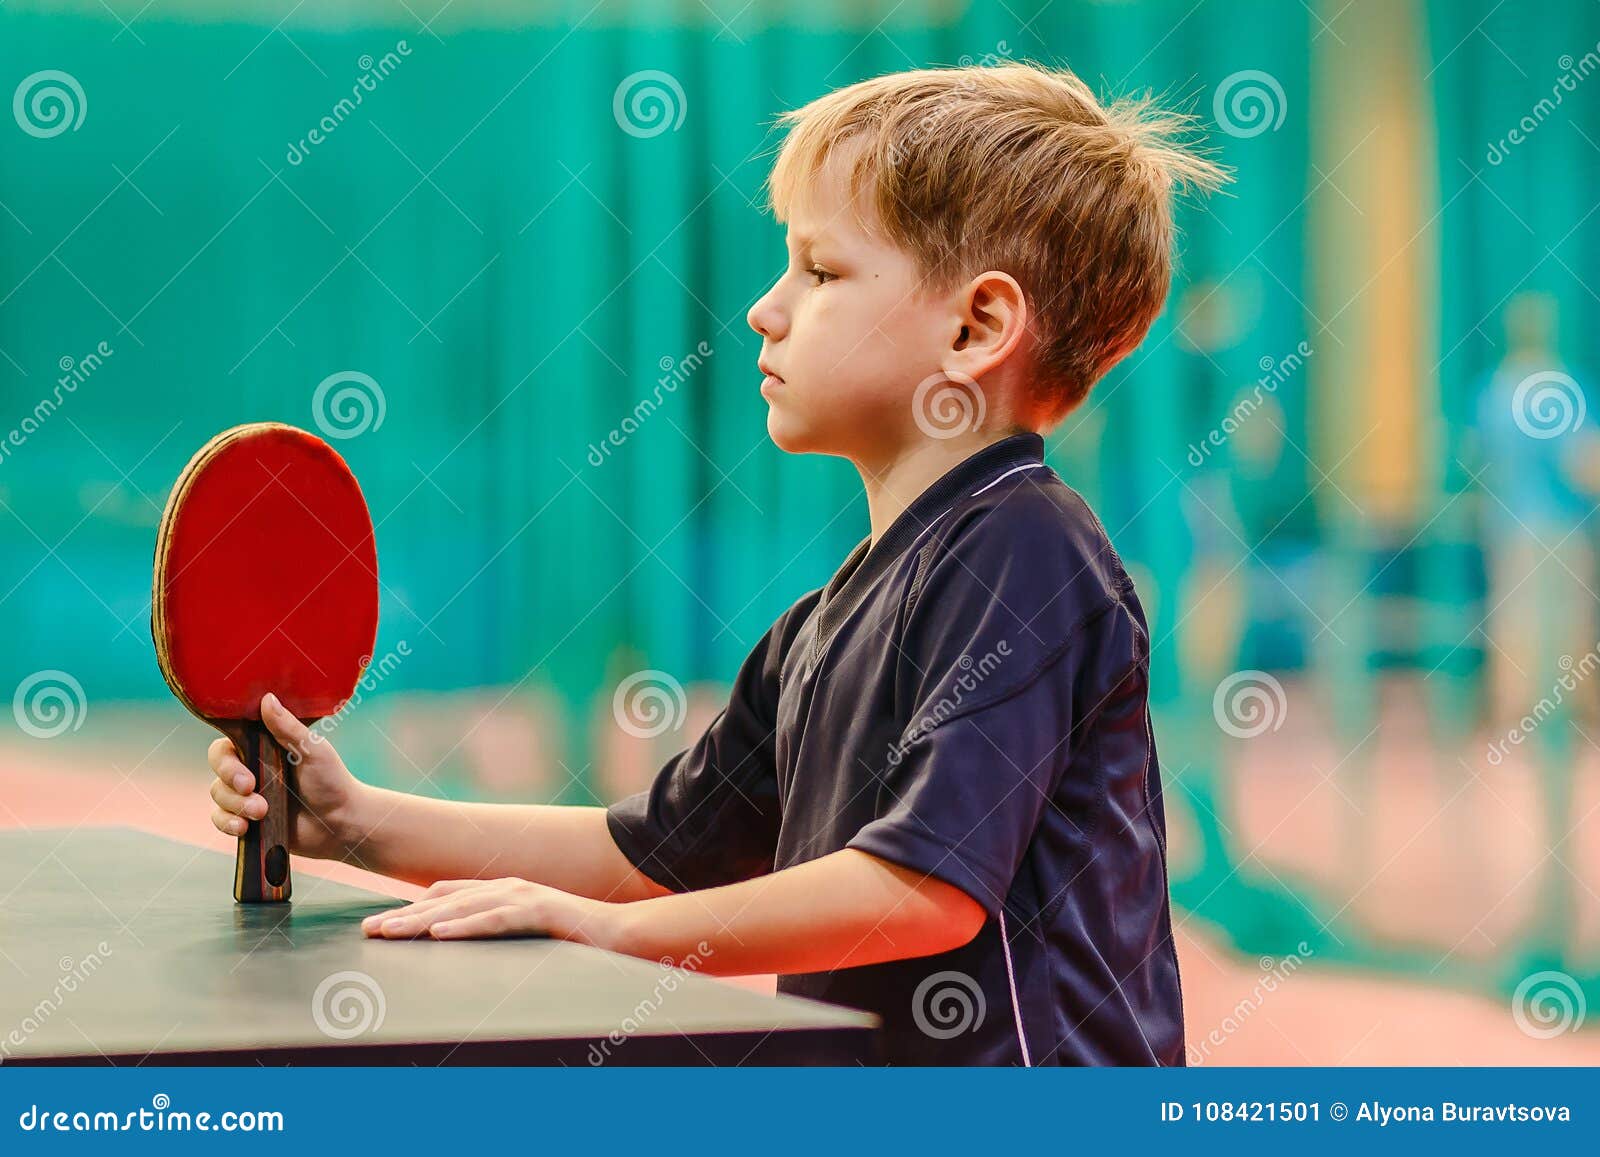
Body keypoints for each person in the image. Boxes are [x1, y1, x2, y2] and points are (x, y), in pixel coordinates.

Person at [207, 61, 1225, 1065]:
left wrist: (601, 934)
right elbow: (652, 855)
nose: (765, 308)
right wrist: (354, 822)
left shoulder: (1025, 549)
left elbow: (918, 890)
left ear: (977, 326)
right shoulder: (826, 620)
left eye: (820, 271)